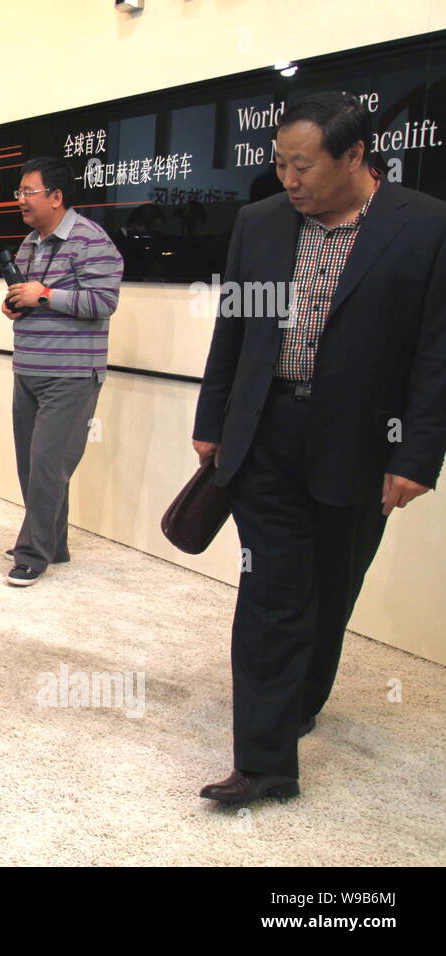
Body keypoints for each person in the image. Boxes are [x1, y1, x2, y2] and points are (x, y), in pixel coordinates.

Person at [193, 92, 446, 803]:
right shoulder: (261, 223)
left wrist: (416, 454)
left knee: (331, 588)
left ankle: (301, 700)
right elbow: (233, 330)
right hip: (266, 431)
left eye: (302, 166)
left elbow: (436, 352)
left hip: (363, 444)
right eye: (278, 164)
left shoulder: (425, 228)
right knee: (271, 592)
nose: (288, 179)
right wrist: (212, 418)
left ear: (356, 157)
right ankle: (265, 760)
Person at [1, 157, 124, 586]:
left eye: (28, 192)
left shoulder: (92, 240)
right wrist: (16, 304)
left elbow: (104, 301)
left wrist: (46, 295)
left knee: (49, 464)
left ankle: (33, 553)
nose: (21, 201)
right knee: (31, 466)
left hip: (71, 375)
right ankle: (54, 544)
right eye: (19, 193)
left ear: (56, 196)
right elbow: (28, 300)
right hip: (28, 369)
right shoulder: (29, 244)